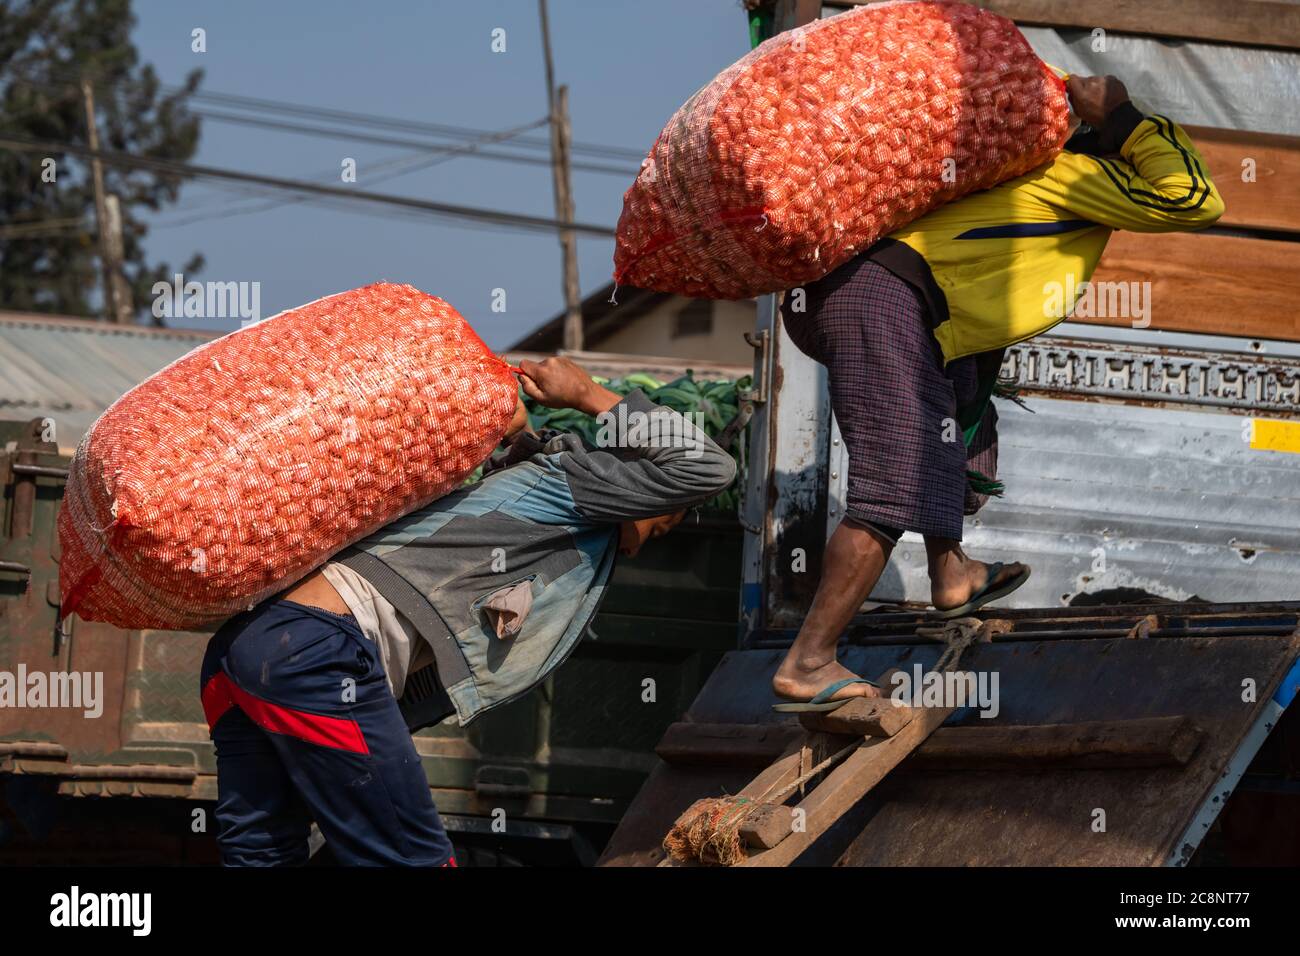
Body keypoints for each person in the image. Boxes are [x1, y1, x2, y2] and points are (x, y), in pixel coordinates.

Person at [772, 74, 1225, 711]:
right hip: (881, 300)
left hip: (882, 303)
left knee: (949, 417)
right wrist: (1123, 116)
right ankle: (808, 661)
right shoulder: (1071, 177)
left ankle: (950, 572)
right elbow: (1194, 199)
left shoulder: (1004, 180)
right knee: (893, 484)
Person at [199, 356, 736, 865]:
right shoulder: (571, 484)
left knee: (263, 852)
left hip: (244, 650)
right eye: (661, 521)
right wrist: (587, 394)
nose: (652, 538)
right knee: (414, 859)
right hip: (313, 655)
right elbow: (708, 466)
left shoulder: (535, 502)